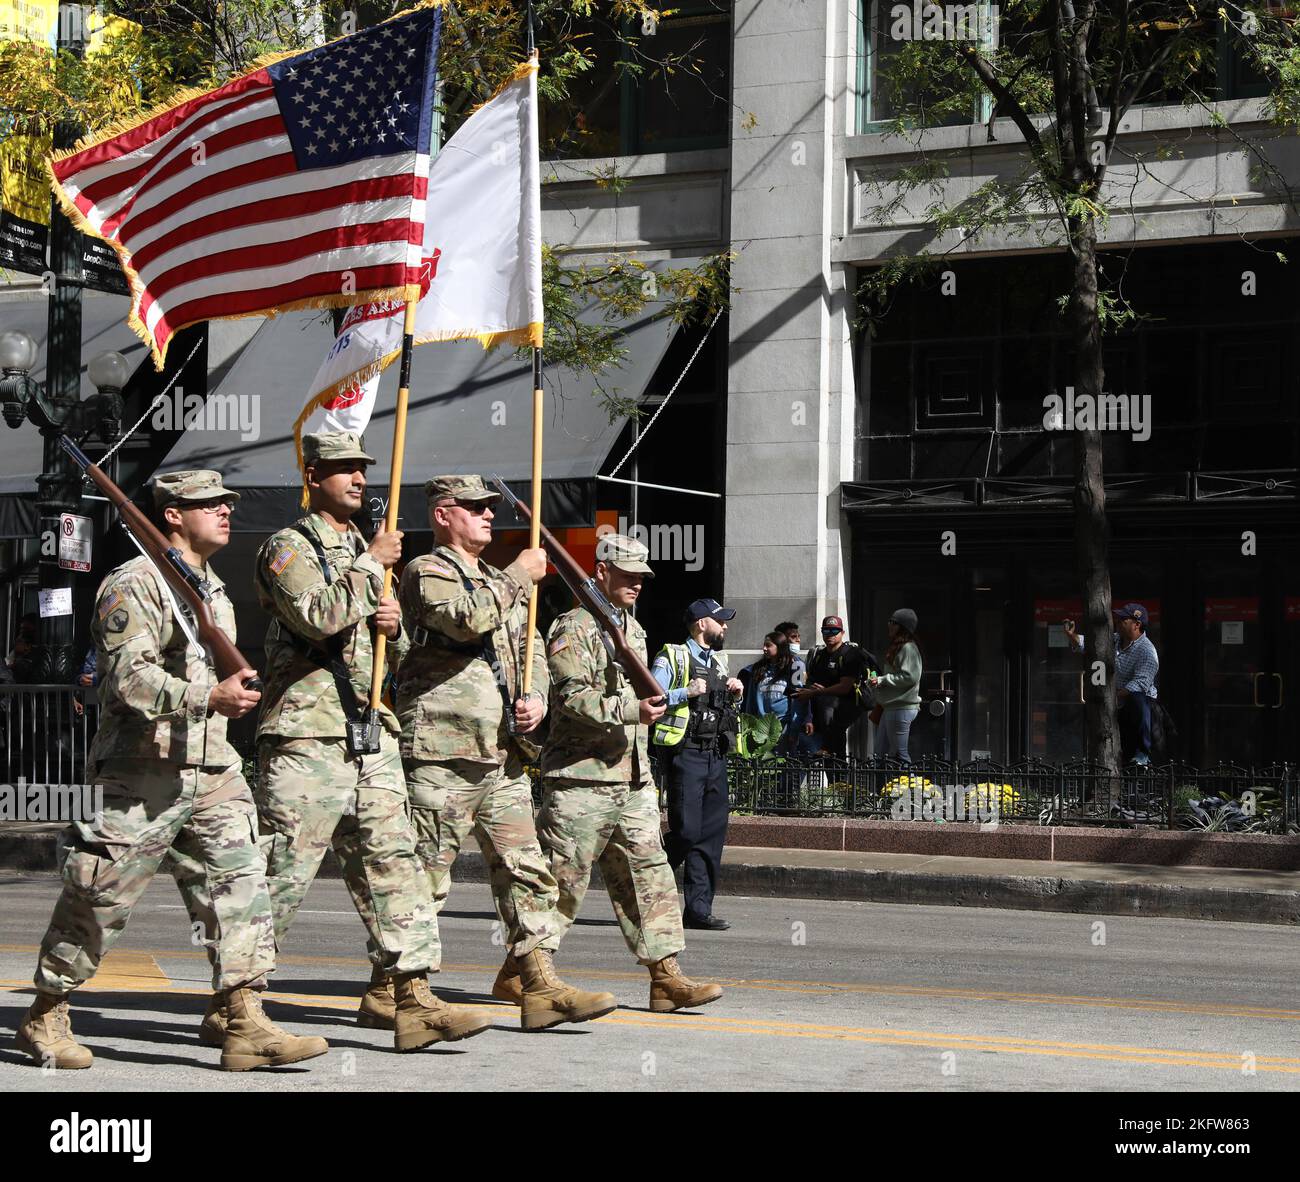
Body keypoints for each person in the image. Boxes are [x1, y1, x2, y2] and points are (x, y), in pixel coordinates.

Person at [15, 470, 327, 1072]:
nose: (226, 511)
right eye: (209, 504)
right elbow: (129, 679)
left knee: (239, 888)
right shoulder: (133, 583)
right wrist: (208, 697)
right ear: (174, 516)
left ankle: (243, 1017)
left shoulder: (212, 588)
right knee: (99, 895)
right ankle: (46, 1011)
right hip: (141, 769)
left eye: (229, 502)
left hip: (212, 768)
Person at [249, 432, 489, 1052]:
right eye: (343, 470)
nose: (358, 479)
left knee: (395, 864)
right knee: (284, 870)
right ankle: (239, 1001)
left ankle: (410, 996)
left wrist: (393, 625)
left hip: (369, 729)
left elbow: (388, 654)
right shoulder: (289, 546)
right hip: (308, 732)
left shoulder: (364, 547)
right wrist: (368, 570)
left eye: (361, 469)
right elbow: (314, 618)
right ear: (313, 476)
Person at [398, 475, 616, 1033]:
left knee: (528, 870)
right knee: (426, 876)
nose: (489, 516)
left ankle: (538, 983)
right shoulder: (428, 573)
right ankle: (402, 991)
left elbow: (532, 649)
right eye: (475, 508)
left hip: (502, 753)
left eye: (490, 508)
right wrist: (521, 574)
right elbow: (465, 619)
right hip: (443, 750)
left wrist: (537, 696)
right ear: (444, 515)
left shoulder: (503, 580)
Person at [528, 534, 722, 1013]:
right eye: (629, 574)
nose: (638, 583)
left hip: (631, 777)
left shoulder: (632, 630)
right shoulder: (572, 628)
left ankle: (665, 977)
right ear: (601, 573)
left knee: (651, 875)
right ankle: (529, 972)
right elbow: (571, 699)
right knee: (561, 883)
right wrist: (633, 709)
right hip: (581, 777)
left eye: (642, 576)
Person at [651, 598, 744, 931]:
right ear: (702, 623)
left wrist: (735, 693)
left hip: (715, 754)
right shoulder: (673, 656)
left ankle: (698, 909)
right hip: (685, 753)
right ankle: (648, 880)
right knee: (687, 831)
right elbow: (651, 698)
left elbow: (719, 706)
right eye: (720, 620)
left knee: (711, 835)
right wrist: (684, 692)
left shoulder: (718, 660)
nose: (726, 626)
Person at [1064, 603, 1159, 765]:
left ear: (1137, 625)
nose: (1118, 621)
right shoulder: (1115, 639)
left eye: (1123, 619)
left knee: (1139, 699)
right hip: (1115, 703)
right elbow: (1092, 644)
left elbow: (1140, 684)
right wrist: (1071, 636)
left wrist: (1111, 695)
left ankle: (1143, 752)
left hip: (1136, 708)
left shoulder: (1147, 650)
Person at [792, 615, 868, 757]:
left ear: (842, 633)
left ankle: (840, 775)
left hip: (845, 706)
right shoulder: (819, 655)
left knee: (836, 748)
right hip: (821, 710)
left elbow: (845, 687)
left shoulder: (850, 654)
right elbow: (810, 682)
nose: (829, 635)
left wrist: (818, 692)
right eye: (826, 631)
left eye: (834, 631)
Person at [867, 608, 923, 763]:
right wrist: (878, 681)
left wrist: (882, 680)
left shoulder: (908, 648)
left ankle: (912, 787)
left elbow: (910, 676)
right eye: (889, 621)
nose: (889, 625)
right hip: (891, 707)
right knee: (881, 754)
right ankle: (883, 787)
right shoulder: (899, 647)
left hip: (901, 707)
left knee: (900, 755)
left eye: (894, 623)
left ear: (903, 627)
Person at [741, 631, 808, 751]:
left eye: (768, 645)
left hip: (784, 726)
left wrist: (795, 728)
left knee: (782, 764)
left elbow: (799, 699)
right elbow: (750, 701)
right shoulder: (757, 669)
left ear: (780, 647)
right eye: (764, 645)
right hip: (761, 728)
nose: (764, 648)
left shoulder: (796, 667)